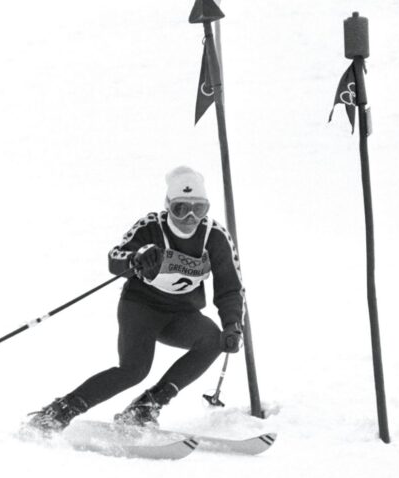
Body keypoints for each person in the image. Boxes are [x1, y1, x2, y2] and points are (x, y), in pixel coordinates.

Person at [26, 166, 245, 432]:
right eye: (180, 208)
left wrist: (233, 324)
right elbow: (115, 258)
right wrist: (137, 257)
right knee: (134, 370)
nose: (189, 217)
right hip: (141, 309)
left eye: (198, 209)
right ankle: (57, 413)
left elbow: (230, 287)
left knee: (213, 339)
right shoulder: (151, 227)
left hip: (181, 314)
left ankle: (146, 407)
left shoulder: (215, 236)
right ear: (167, 207)